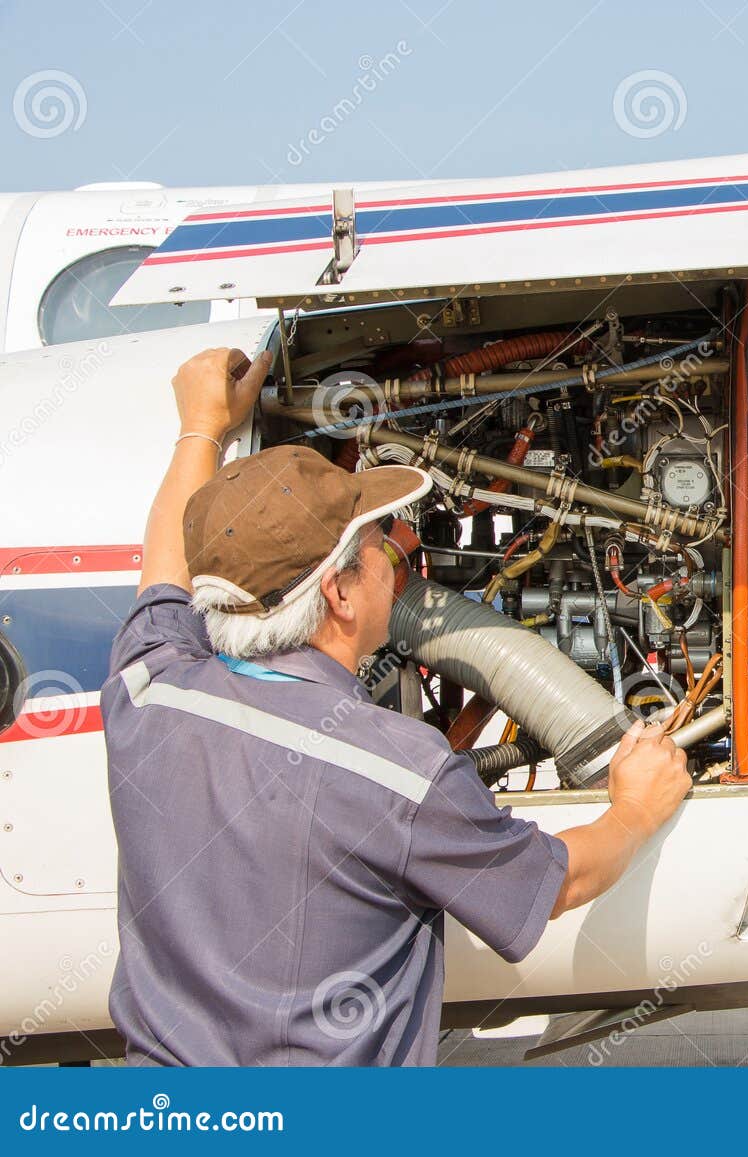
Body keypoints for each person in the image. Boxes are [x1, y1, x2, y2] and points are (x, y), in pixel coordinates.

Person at [100, 346, 690, 1065]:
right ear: (339, 594)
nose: (399, 555)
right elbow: (557, 881)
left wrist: (203, 426)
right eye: (380, 541)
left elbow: (164, 562)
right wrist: (634, 809)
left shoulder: (149, 687)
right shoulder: (399, 772)